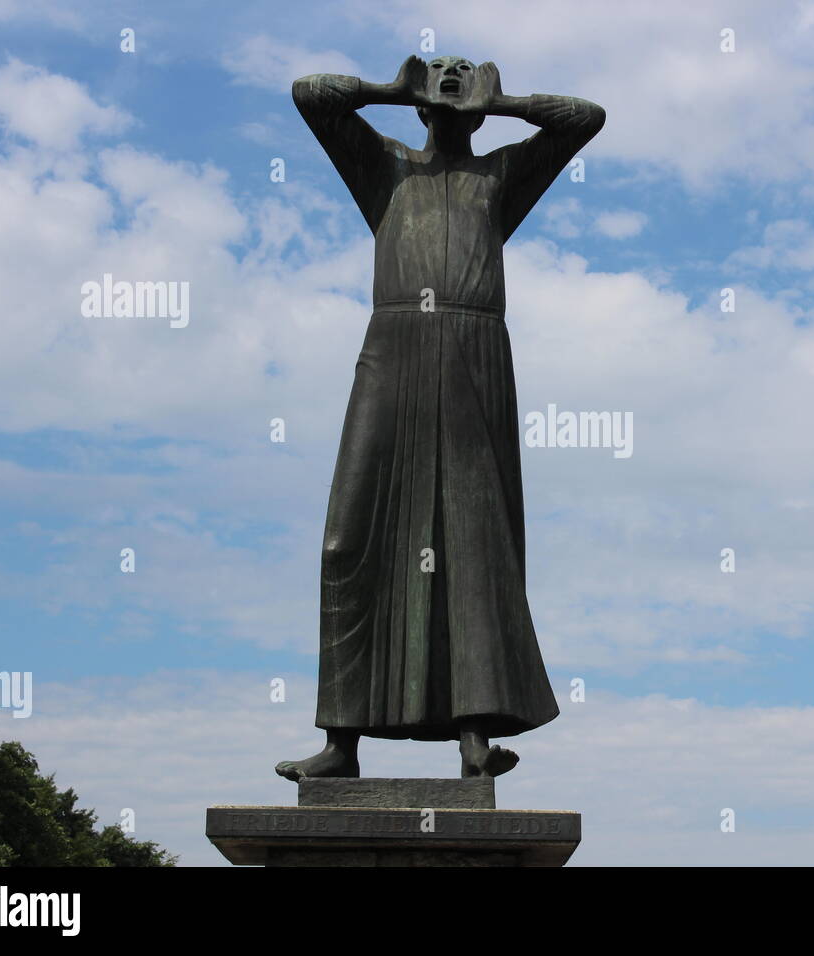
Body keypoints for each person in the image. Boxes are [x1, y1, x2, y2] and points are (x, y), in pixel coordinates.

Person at [275, 56, 605, 780]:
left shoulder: (500, 176)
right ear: (422, 99)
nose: (451, 75)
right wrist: (392, 91)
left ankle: (474, 738)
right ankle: (341, 743)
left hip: (471, 351)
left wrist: (505, 101)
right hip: (394, 346)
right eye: (441, 72)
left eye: (464, 72)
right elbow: (310, 95)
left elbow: (585, 118)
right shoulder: (385, 168)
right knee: (349, 537)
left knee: (472, 538)